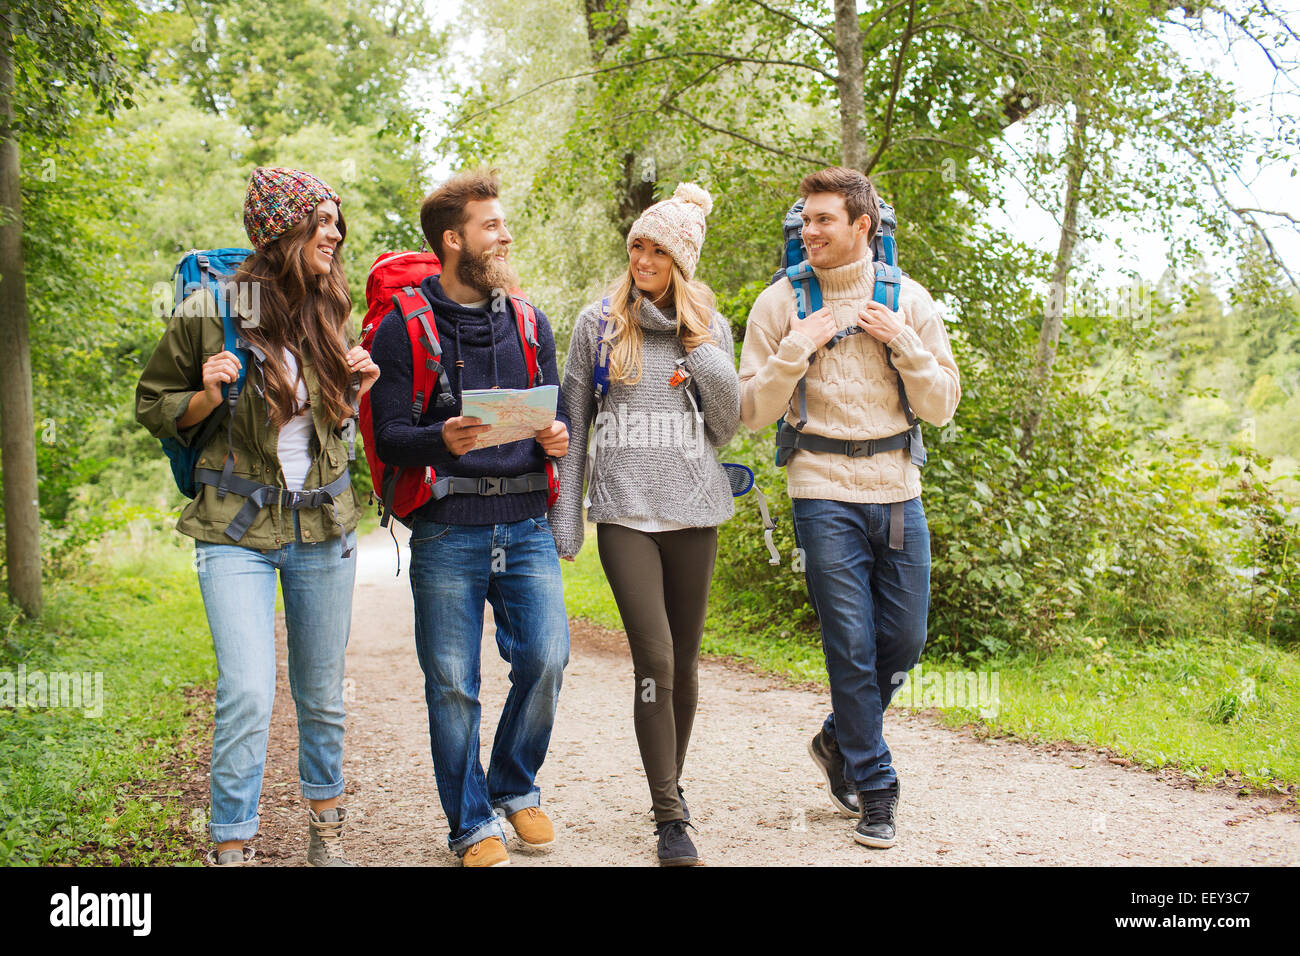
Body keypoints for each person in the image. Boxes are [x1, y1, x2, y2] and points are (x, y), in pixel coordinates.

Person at [136, 166, 379, 866]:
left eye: (337, 220)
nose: (335, 232)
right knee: (247, 689)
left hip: (322, 527)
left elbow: (330, 431)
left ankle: (326, 826)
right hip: (233, 530)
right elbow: (152, 405)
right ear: (281, 230)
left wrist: (355, 391)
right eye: (322, 219)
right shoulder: (210, 310)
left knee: (323, 693)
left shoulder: (329, 308)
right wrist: (207, 394)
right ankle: (233, 843)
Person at [738, 166, 960, 848]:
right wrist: (794, 352)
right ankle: (877, 786)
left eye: (824, 220)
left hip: (897, 488)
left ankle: (838, 739)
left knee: (903, 642)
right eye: (804, 221)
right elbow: (749, 413)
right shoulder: (779, 304)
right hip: (820, 487)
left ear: (863, 225)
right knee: (851, 644)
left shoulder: (909, 300)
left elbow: (941, 407)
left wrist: (906, 343)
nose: (809, 231)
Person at [367, 169, 571, 868]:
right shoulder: (402, 329)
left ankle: (514, 785)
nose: (505, 235)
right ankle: (470, 823)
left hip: (525, 523)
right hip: (448, 527)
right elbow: (389, 432)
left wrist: (559, 436)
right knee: (453, 682)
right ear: (454, 240)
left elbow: (558, 412)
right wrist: (439, 440)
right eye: (492, 225)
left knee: (547, 658)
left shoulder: (528, 320)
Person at [550, 183, 739, 866]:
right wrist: (564, 518)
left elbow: (725, 432)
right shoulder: (596, 324)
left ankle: (671, 789)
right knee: (654, 661)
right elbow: (573, 422)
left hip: (695, 508)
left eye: (659, 248)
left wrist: (707, 362)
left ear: (682, 260)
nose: (644, 258)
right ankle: (669, 817)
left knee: (684, 664)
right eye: (638, 245)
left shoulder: (709, 325)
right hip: (625, 509)